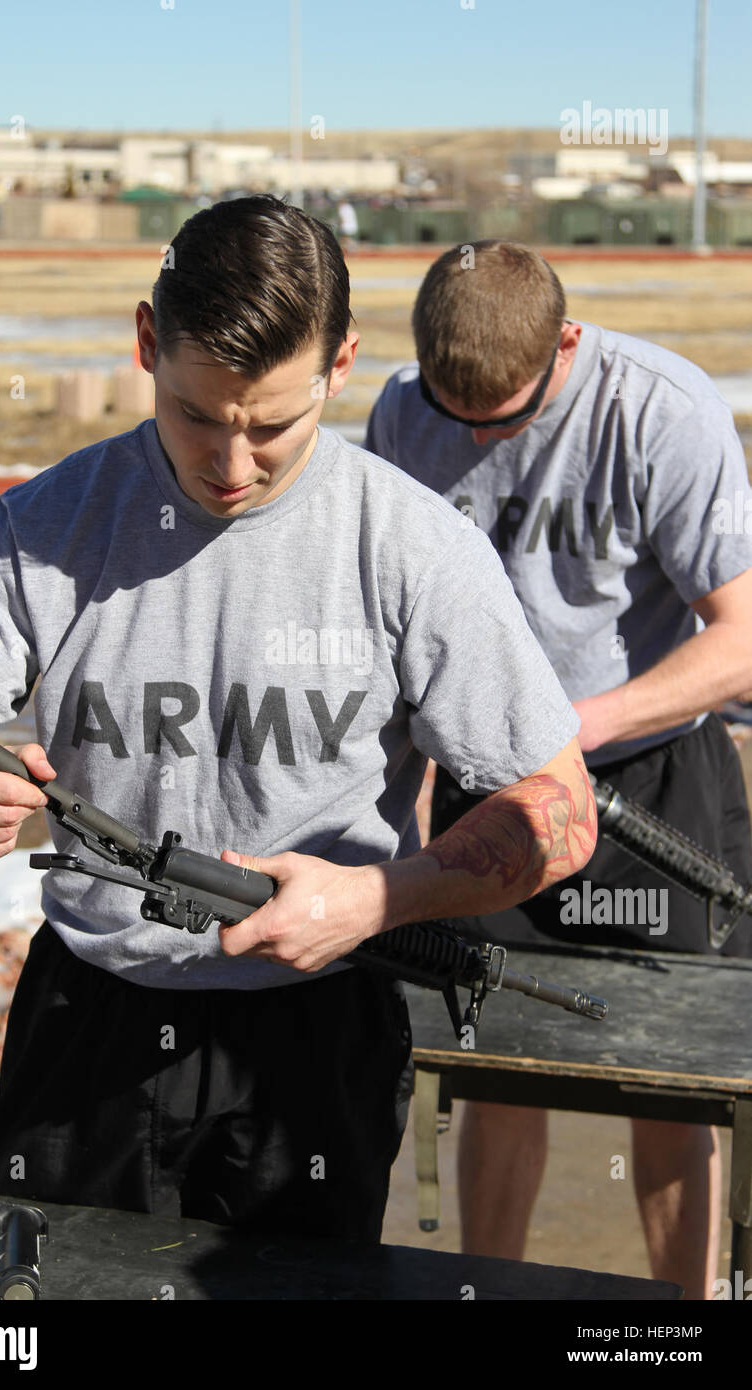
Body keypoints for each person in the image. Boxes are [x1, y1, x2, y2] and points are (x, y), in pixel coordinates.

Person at [0, 202, 595, 1242]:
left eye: (270, 425)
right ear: (144, 344)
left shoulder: (412, 547)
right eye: (193, 413)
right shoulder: (41, 525)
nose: (230, 462)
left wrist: (378, 897)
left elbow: (559, 809)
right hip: (90, 1015)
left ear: (341, 365)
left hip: (316, 1030)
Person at [364, 238, 752, 1297]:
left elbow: (740, 633)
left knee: (665, 1085)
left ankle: (687, 1311)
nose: (473, 437)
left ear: (565, 345)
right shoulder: (402, 413)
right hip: (492, 788)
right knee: (499, 1065)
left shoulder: (662, 411)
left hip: (650, 779)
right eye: (456, 417)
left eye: (502, 417)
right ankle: (486, 1292)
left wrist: (581, 721)